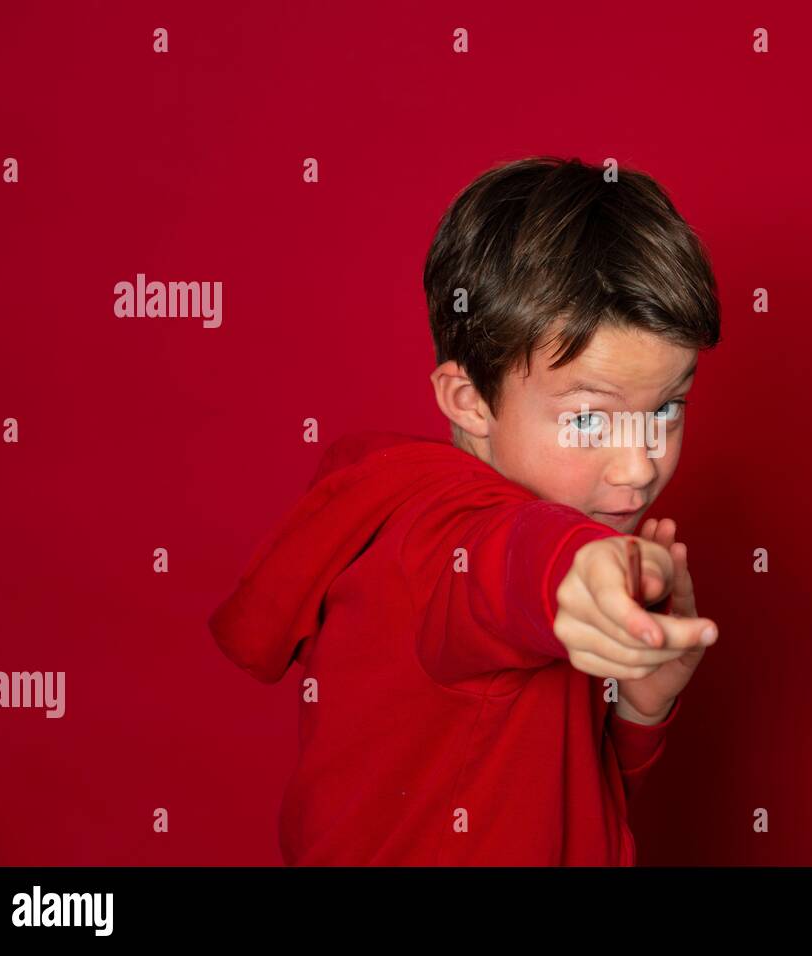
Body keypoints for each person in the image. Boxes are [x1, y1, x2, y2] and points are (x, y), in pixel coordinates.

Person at [209, 155, 722, 864]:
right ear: (467, 400)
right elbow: (502, 561)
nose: (641, 465)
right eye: (586, 421)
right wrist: (570, 569)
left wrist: (639, 709)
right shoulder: (429, 538)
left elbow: (559, 815)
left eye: (664, 408)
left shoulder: (541, 525)